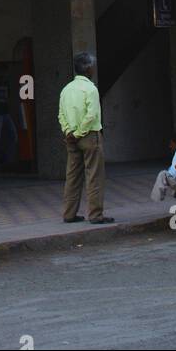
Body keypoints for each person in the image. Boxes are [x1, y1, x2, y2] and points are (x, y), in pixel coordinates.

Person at [58, 52, 114, 224]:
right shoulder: (91, 89)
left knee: (72, 177)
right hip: (89, 136)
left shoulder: (66, 89)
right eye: (93, 67)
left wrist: (69, 133)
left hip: (70, 138)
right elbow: (91, 115)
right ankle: (96, 215)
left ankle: (69, 214)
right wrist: (79, 133)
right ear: (89, 68)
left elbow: (61, 115)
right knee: (94, 176)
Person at [149, 131, 176, 202]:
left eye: (171, 144)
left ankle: (156, 201)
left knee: (163, 174)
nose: (170, 146)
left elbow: (173, 174)